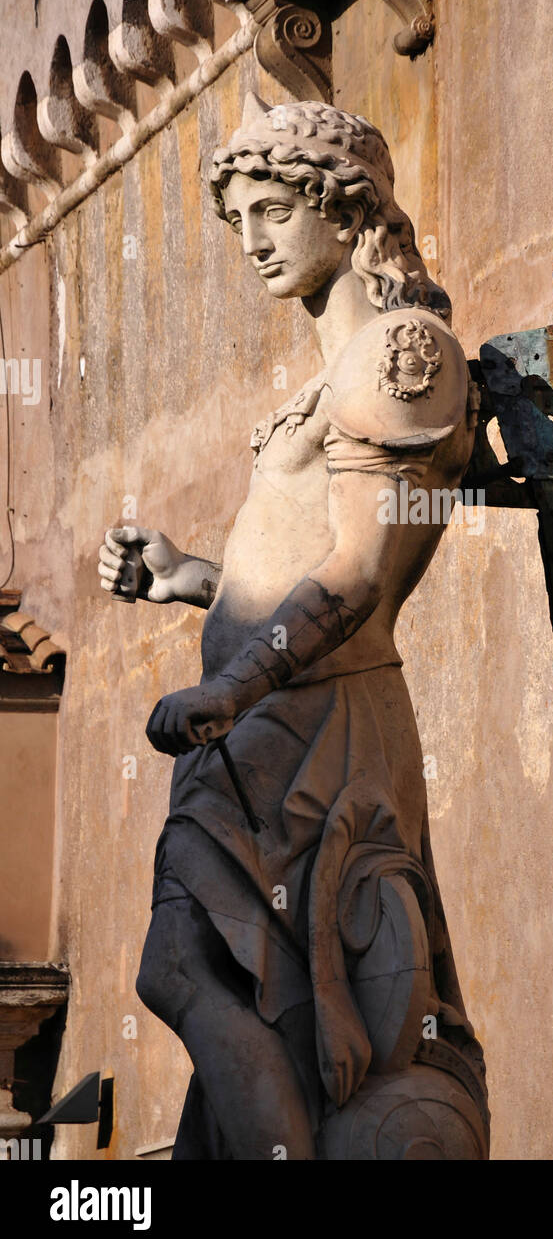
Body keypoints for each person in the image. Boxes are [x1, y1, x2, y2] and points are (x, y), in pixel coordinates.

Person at [97, 96, 488, 1160]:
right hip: (260, 723)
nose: (254, 242)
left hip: (315, 726)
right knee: (208, 971)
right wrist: (191, 583)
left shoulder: (401, 354)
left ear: (345, 207)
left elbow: (360, 575)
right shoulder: (331, 378)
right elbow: (296, 569)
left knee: (186, 965)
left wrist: (230, 690)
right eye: (239, 223)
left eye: (272, 210)